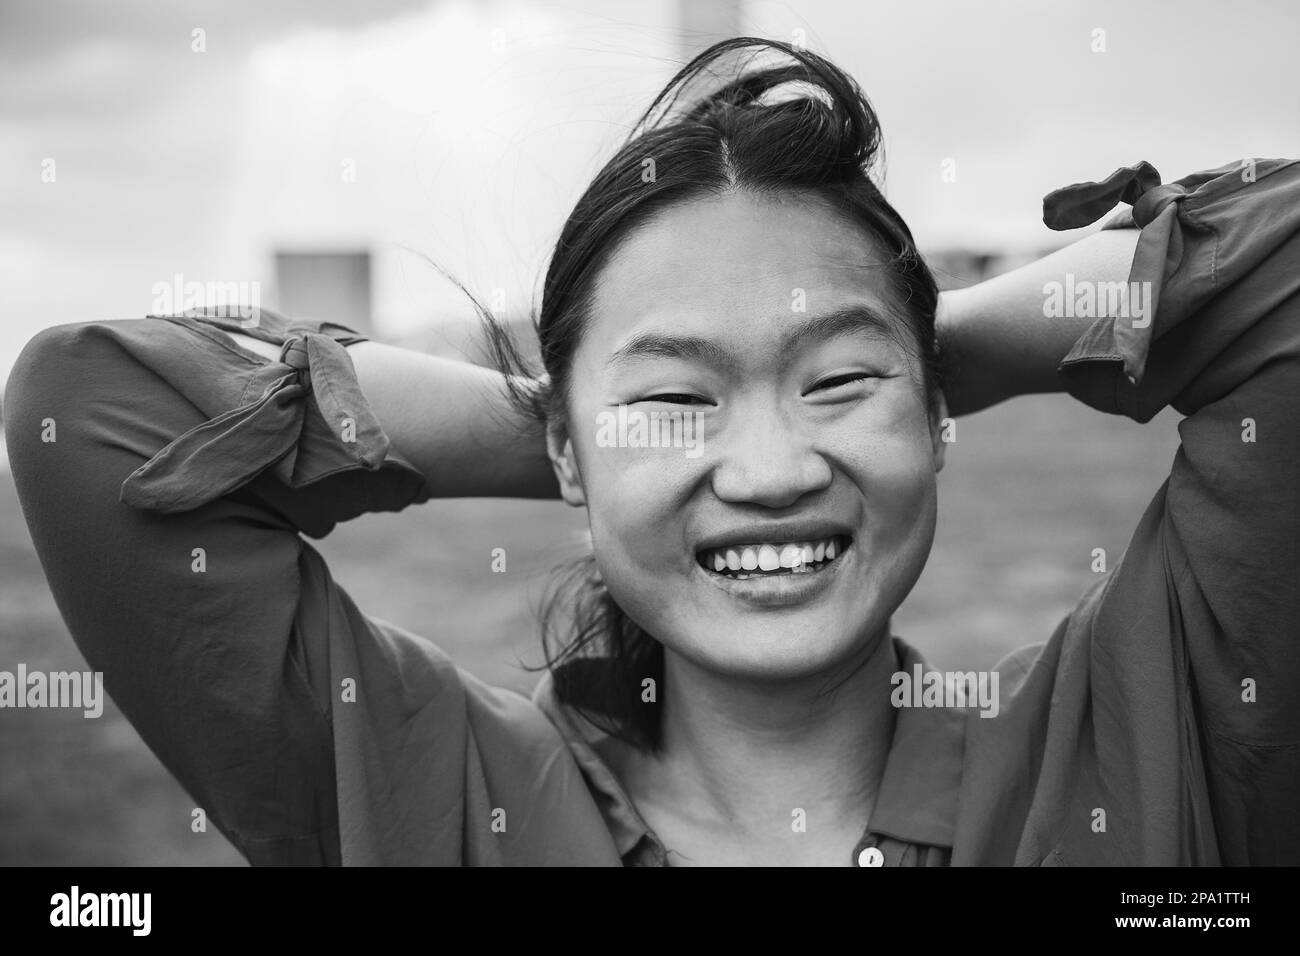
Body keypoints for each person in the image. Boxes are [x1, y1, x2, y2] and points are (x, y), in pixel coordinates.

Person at [6, 39, 1298, 866]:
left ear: (937, 410)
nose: (771, 466)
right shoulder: (441, 806)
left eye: (841, 384)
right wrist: (591, 445)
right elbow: (95, 408)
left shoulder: (1143, 740)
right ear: (562, 448)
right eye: (682, 400)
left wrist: (935, 348)